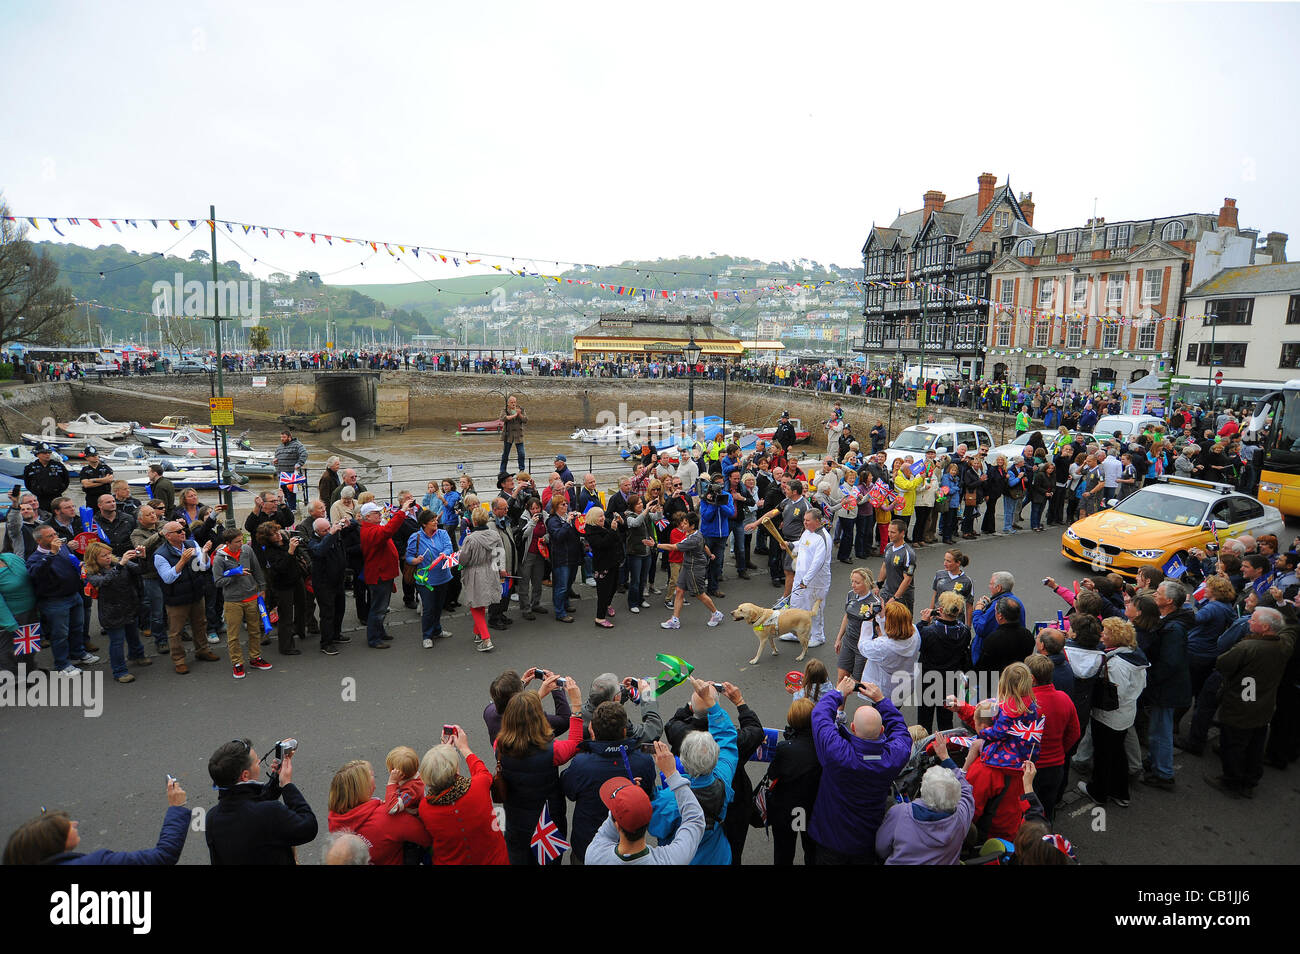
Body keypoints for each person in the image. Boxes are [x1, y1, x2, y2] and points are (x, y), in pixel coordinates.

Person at [809, 677, 911, 864]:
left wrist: (838, 693)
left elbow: (820, 717)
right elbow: (902, 733)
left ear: (853, 728)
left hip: (830, 839)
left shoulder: (838, 752)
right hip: (867, 839)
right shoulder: (892, 758)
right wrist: (881, 701)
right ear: (882, 730)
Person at [647, 677, 739, 865]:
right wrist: (711, 702)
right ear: (716, 757)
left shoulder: (668, 799)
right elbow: (727, 737)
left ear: (682, 760)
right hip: (717, 857)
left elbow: (655, 827)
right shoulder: (723, 777)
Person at [495, 680, 585, 865]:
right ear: (539, 717)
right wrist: (576, 705)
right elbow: (576, 742)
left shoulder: (499, 746)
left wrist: (535, 697)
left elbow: (518, 715)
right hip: (546, 823)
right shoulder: (553, 751)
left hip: (514, 820)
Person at [1209, 607, 1296, 798]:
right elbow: (1290, 630)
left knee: (1233, 744)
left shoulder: (1248, 647)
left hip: (1240, 703)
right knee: (1256, 744)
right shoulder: (1284, 645)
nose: (1248, 622)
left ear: (1264, 627)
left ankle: (1232, 781)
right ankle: (1250, 779)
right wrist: (1284, 606)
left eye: (1253, 620)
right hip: (1264, 703)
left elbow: (1222, 663)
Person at [4, 779, 191, 865]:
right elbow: (163, 856)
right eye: (66, 826)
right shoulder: (98, 862)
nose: (74, 823)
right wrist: (177, 807)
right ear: (54, 843)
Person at [562, 698, 657, 864]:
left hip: (587, 848)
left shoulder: (581, 764)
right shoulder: (644, 761)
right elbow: (648, 794)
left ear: (592, 730)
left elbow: (569, 791)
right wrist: (648, 690)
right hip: (630, 847)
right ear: (624, 731)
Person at [585, 740, 705, 865]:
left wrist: (626, 799)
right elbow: (694, 819)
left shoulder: (595, 855)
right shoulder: (669, 860)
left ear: (617, 825)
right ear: (648, 820)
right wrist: (672, 774)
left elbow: (607, 833)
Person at [205, 737, 319, 865]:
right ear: (245, 775)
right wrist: (287, 785)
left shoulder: (212, 819)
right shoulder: (269, 812)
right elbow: (309, 827)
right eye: (256, 762)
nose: (259, 761)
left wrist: (276, 780)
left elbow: (250, 807)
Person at [1077, 617, 1149, 808]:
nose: (1102, 635)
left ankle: (1098, 792)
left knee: (1102, 756)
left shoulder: (1117, 664)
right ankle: (1120, 792)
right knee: (1118, 754)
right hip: (1125, 715)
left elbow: (1116, 694)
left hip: (1109, 718)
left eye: (1106, 633)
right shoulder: (1135, 656)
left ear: (1115, 638)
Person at [875, 732, 974, 865]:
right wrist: (945, 757)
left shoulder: (900, 813)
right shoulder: (962, 815)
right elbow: (966, 789)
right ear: (956, 793)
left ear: (924, 790)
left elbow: (881, 848)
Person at [327, 759, 431, 865]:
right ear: (365, 787)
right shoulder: (389, 818)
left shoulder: (334, 817)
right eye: (371, 775)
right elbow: (426, 838)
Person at [1144, 581, 1194, 790]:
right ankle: (1154, 761)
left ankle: (1164, 774)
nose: (1155, 594)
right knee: (1157, 728)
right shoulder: (1170, 621)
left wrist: (1151, 680)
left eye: (1159, 593)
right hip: (1167, 686)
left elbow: (1169, 663)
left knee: (1161, 731)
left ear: (1169, 601)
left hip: (1167, 689)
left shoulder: (1173, 629)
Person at [26, 525, 95, 674]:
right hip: (54, 601)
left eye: (55, 533)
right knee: (60, 634)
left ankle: (78, 653)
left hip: (74, 595)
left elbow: (72, 562)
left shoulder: (63, 548)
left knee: (77, 627)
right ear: (39, 540)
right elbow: (36, 575)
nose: (55, 537)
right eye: (50, 536)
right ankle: (62, 664)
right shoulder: (35, 558)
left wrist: (80, 566)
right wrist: (51, 554)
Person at [154, 520, 219, 674]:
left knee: (200, 624)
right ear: (168, 536)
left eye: (183, 529)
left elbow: (202, 567)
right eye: (178, 531)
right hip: (176, 598)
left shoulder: (191, 543)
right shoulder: (160, 555)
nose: (183, 532)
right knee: (176, 631)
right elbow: (168, 578)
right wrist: (182, 561)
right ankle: (179, 660)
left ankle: (202, 650)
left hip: (196, 593)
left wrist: (204, 553)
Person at [1024, 653, 1081, 821]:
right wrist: (1060, 751)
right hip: (1056, 766)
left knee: (1027, 811)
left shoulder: (1026, 703)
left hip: (1030, 768)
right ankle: (1047, 840)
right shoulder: (1064, 698)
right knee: (1047, 809)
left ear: (1032, 679)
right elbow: (1075, 733)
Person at [83, 539, 148, 684]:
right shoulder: (90, 570)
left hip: (129, 605)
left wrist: (142, 558)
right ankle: (119, 671)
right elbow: (103, 582)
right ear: (94, 558)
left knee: (133, 635)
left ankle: (137, 655)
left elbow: (139, 570)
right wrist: (120, 565)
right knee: (117, 642)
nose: (108, 557)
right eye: (104, 555)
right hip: (111, 611)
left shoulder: (117, 560)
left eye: (109, 554)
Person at [768, 697, 822, 865]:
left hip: (786, 810)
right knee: (812, 851)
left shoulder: (785, 748)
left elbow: (772, 774)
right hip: (813, 808)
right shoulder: (822, 745)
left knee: (784, 853)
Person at [652, 511, 724, 630]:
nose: (682, 525)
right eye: (682, 523)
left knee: (699, 594)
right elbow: (704, 546)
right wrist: (710, 554)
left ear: (692, 526)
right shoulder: (694, 534)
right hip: (687, 566)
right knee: (679, 590)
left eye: (685, 523)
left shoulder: (693, 539)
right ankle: (675, 620)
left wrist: (655, 545)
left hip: (694, 569)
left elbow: (673, 547)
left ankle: (716, 614)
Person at [358, 500, 414, 649]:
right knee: (378, 608)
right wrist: (401, 511)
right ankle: (374, 638)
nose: (379, 514)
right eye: (376, 513)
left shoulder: (371, 528)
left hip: (382, 574)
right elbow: (389, 530)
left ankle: (379, 632)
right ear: (367, 516)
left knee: (380, 607)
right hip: (379, 575)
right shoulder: (372, 531)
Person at [916, 591, 972, 733]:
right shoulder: (965, 631)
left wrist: (923, 621)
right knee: (946, 718)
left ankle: (924, 749)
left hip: (928, 680)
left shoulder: (929, 632)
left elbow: (917, 641)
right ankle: (947, 747)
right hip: (951, 680)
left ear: (941, 609)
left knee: (924, 719)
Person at [458, 506, 505, 652]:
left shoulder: (470, 539)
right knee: (482, 603)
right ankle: (477, 633)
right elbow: (500, 553)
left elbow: (463, 560)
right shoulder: (494, 535)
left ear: (474, 521)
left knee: (475, 605)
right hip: (491, 570)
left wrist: (459, 557)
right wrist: (501, 569)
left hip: (475, 573)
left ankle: (486, 639)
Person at [405, 509, 453, 648]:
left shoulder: (442, 533)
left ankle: (437, 630)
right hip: (425, 580)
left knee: (438, 607)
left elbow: (449, 547)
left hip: (443, 577)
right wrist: (416, 560)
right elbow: (408, 557)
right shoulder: (416, 537)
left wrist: (444, 554)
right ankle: (427, 635)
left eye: (436, 520)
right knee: (428, 608)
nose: (435, 522)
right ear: (424, 524)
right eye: (432, 521)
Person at [861, 600, 921, 709]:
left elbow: (863, 646)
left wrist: (867, 620)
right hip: (904, 686)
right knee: (894, 713)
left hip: (885, 692)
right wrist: (882, 618)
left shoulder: (883, 646)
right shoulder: (915, 633)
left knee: (883, 719)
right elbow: (894, 631)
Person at [787, 508, 831, 647]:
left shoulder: (823, 538)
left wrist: (806, 580)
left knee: (814, 609)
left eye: (807, 520)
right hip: (800, 577)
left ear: (817, 521)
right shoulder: (807, 531)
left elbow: (818, 562)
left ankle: (818, 636)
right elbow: (801, 544)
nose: (804, 522)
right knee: (796, 604)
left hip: (816, 581)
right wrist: (790, 544)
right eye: (804, 520)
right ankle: (796, 632)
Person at [308, 516, 351, 655]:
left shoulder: (335, 535)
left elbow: (354, 525)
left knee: (340, 609)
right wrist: (331, 533)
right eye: (324, 530)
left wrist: (347, 523)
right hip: (323, 583)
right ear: (317, 531)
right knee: (327, 614)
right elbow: (320, 551)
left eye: (329, 528)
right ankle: (326, 643)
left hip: (338, 580)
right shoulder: (313, 542)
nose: (328, 531)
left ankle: (336, 634)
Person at [971, 571, 1025, 666]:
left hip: (993, 659)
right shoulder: (1016, 601)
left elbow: (980, 628)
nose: (989, 586)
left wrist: (978, 611)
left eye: (991, 584)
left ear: (999, 587)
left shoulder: (996, 607)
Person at [583, 506, 624, 628]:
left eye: (603, 515)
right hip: (602, 565)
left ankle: (607, 605)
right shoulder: (591, 531)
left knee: (613, 587)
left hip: (613, 562)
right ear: (593, 518)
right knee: (603, 592)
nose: (602, 518)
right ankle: (599, 618)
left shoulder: (605, 525)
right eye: (599, 516)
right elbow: (602, 544)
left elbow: (617, 538)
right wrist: (612, 531)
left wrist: (616, 526)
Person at [877, 518, 916, 611]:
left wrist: (895, 598)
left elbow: (907, 579)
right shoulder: (888, 546)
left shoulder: (908, 554)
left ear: (902, 533)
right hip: (887, 592)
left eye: (893, 532)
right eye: (888, 531)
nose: (889, 534)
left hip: (902, 597)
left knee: (901, 625)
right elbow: (885, 566)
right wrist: (878, 585)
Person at [22, 443, 70, 514]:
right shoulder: (30, 468)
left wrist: (58, 490)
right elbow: (27, 483)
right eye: (44, 453)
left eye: (49, 453)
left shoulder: (59, 466)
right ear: (37, 454)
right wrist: (37, 491)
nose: (47, 455)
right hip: (40, 499)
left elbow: (66, 481)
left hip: (56, 497)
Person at [273, 430, 309, 510]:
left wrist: (299, 464)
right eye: (281, 437)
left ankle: (293, 509)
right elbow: (276, 460)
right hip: (282, 476)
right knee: (284, 494)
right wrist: (275, 462)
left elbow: (304, 454)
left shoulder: (297, 445)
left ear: (289, 437)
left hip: (291, 475)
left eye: (284, 437)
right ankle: (286, 509)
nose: (282, 439)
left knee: (291, 494)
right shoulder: (279, 447)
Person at [77, 446, 114, 511]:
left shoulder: (105, 468)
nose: (95, 457)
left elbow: (110, 479)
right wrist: (104, 481)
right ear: (86, 458)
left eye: (96, 455)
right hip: (92, 498)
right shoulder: (85, 470)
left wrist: (93, 480)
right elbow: (86, 484)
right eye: (92, 456)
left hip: (105, 496)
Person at [498, 394, 528, 474]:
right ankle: (502, 470)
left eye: (514, 402)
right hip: (508, 435)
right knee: (505, 454)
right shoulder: (505, 409)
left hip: (519, 435)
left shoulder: (521, 409)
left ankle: (521, 469)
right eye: (511, 402)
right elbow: (503, 418)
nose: (513, 404)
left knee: (521, 453)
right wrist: (515, 415)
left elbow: (525, 420)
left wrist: (520, 414)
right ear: (508, 403)